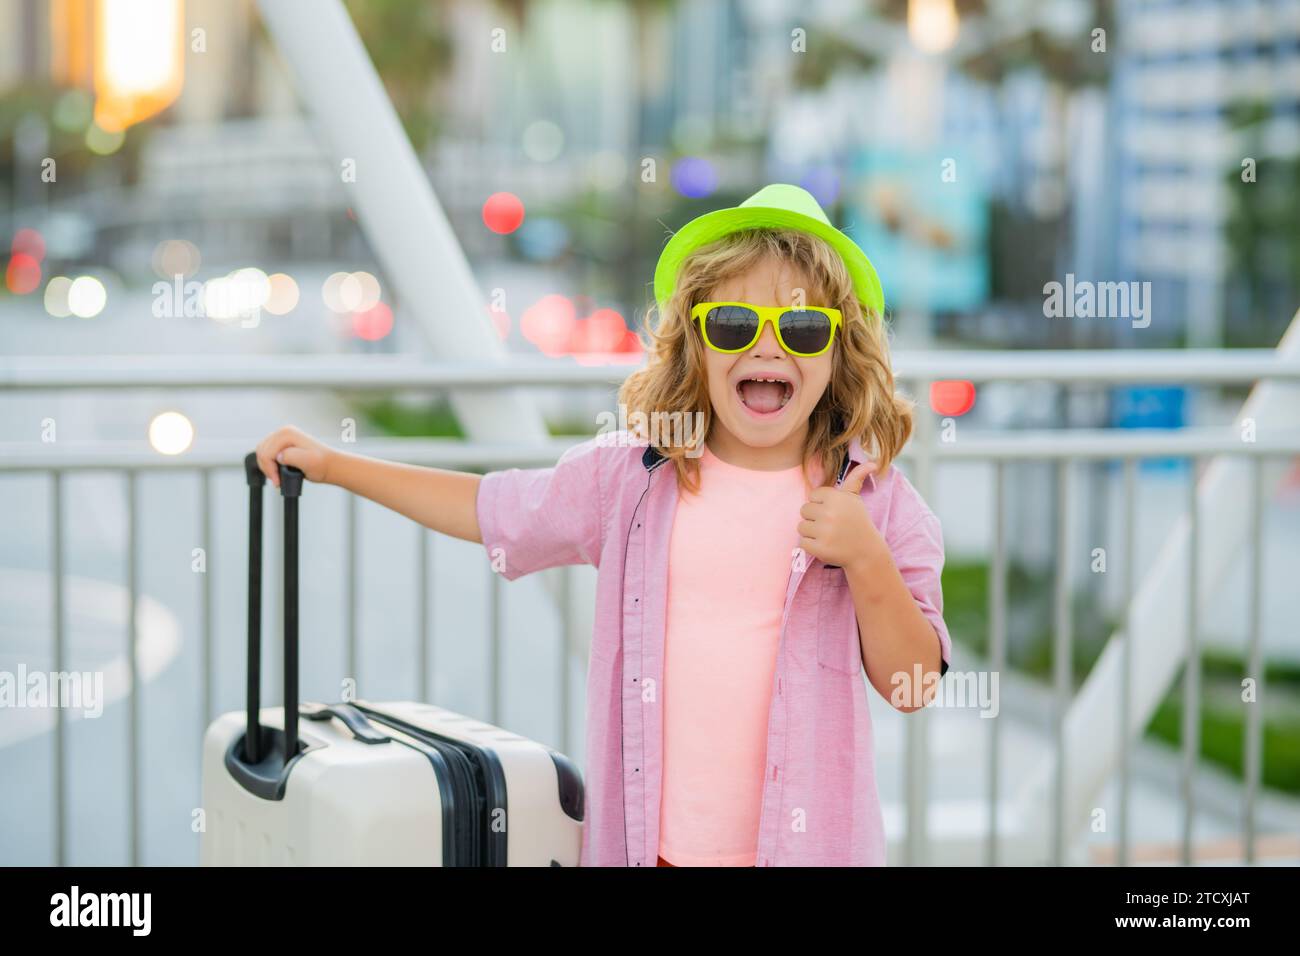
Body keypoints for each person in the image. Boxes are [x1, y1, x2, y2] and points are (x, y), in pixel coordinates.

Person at [254, 183, 951, 867]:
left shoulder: (878, 501)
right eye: (734, 324)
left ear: (837, 354)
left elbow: (912, 684)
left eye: (801, 330)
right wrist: (336, 464)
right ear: (696, 344)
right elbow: (492, 508)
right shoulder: (630, 479)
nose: (768, 351)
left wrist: (866, 559)